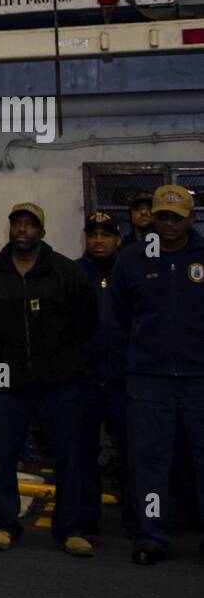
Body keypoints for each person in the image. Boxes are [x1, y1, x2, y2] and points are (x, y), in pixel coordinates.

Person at [0, 203, 97, 556]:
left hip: (58, 381)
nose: (22, 229)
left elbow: (85, 321)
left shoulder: (66, 273)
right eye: (17, 224)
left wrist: (61, 359)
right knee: (4, 455)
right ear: (10, 230)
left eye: (30, 224)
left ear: (42, 230)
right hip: (7, 380)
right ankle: (4, 524)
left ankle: (70, 529)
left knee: (68, 456)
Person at [111, 184, 204, 565]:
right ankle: (151, 536)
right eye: (162, 216)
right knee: (149, 463)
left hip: (200, 380)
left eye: (175, 217)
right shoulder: (132, 259)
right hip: (148, 381)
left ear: (190, 219)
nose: (168, 224)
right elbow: (118, 317)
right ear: (152, 217)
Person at [76, 211, 132, 537]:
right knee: (83, 453)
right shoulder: (72, 273)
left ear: (117, 240)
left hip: (126, 379)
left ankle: (138, 517)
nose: (99, 240)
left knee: (133, 452)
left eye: (105, 235)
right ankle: (86, 518)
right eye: (93, 234)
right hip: (85, 378)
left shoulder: (131, 271)